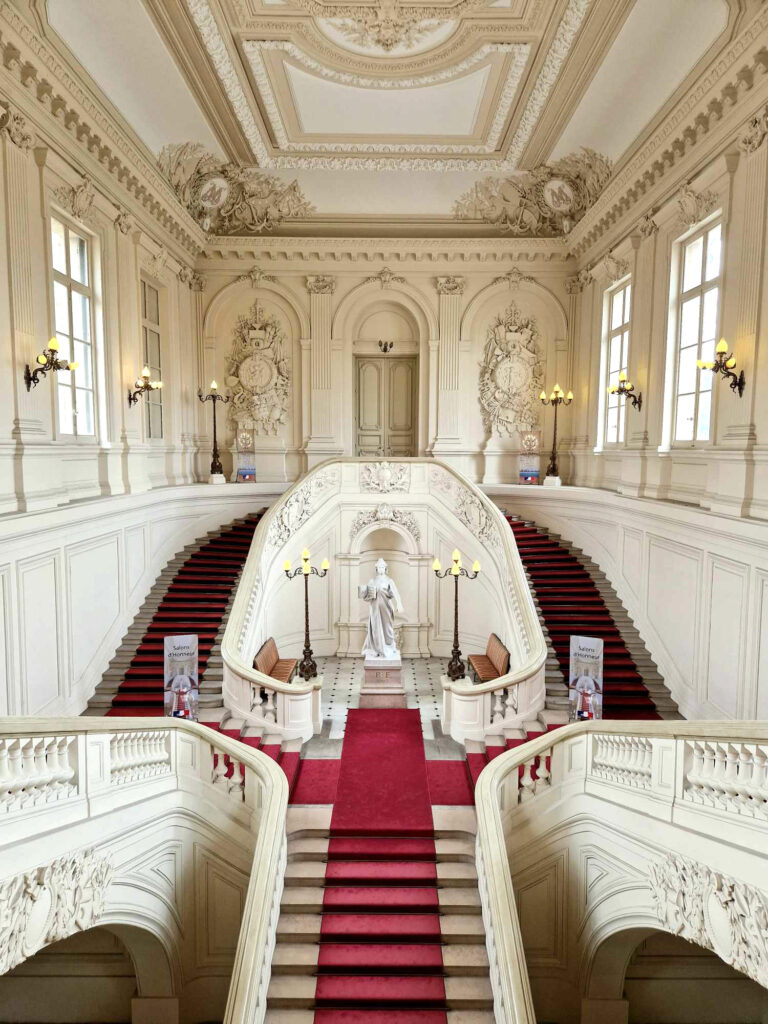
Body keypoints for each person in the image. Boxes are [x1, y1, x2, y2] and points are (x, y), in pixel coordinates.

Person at [359, 557, 404, 659]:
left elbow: (396, 593)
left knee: (387, 628)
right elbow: (368, 595)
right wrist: (363, 591)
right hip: (374, 609)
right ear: (376, 569)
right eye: (379, 567)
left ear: (385, 568)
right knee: (375, 628)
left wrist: (399, 604)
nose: (380, 569)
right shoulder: (372, 581)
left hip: (386, 608)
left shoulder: (389, 580)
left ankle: (389, 646)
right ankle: (377, 649)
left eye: (382, 567)